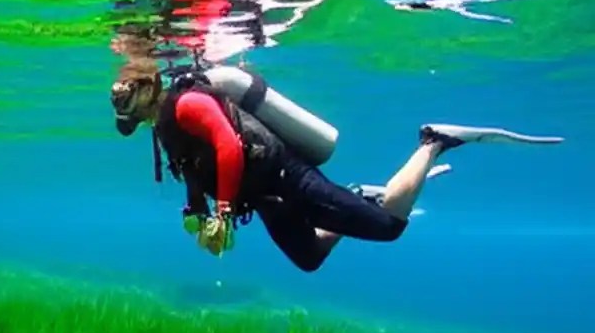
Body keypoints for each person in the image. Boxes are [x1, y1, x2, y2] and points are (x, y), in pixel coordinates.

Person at [108, 54, 564, 272]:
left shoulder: (185, 104)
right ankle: (359, 197)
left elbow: (228, 147)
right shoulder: (164, 127)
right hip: (268, 200)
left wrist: (223, 212)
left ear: (148, 87)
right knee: (308, 258)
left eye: (125, 95)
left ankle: (434, 141)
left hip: (287, 178)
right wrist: (198, 216)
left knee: (389, 227)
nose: (123, 106)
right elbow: (194, 167)